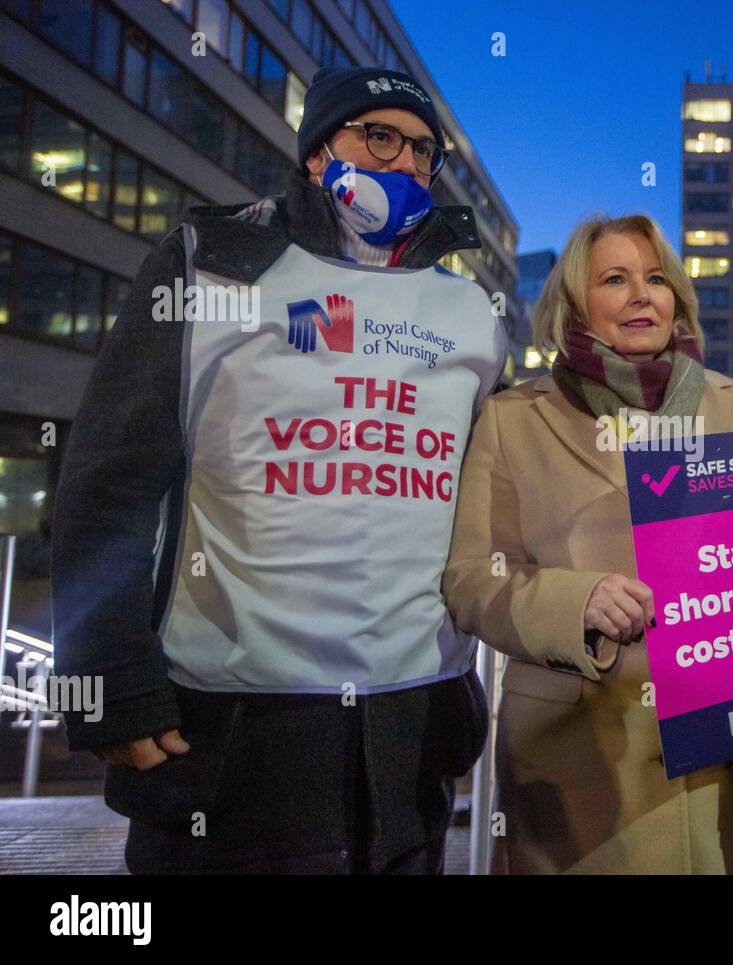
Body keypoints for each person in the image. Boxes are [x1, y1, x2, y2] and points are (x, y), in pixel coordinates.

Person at [51, 66, 506, 873]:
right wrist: (105, 672)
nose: (405, 163)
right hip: (228, 742)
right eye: (380, 137)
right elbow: (109, 479)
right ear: (316, 152)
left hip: (408, 746)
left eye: (424, 151)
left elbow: (503, 488)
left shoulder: (470, 313)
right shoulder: (209, 264)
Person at [442, 214, 733, 874]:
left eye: (657, 278)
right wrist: (573, 603)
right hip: (581, 771)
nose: (644, 295)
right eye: (616, 279)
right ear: (575, 305)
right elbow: (471, 579)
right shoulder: (512, 419)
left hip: (726, 768)